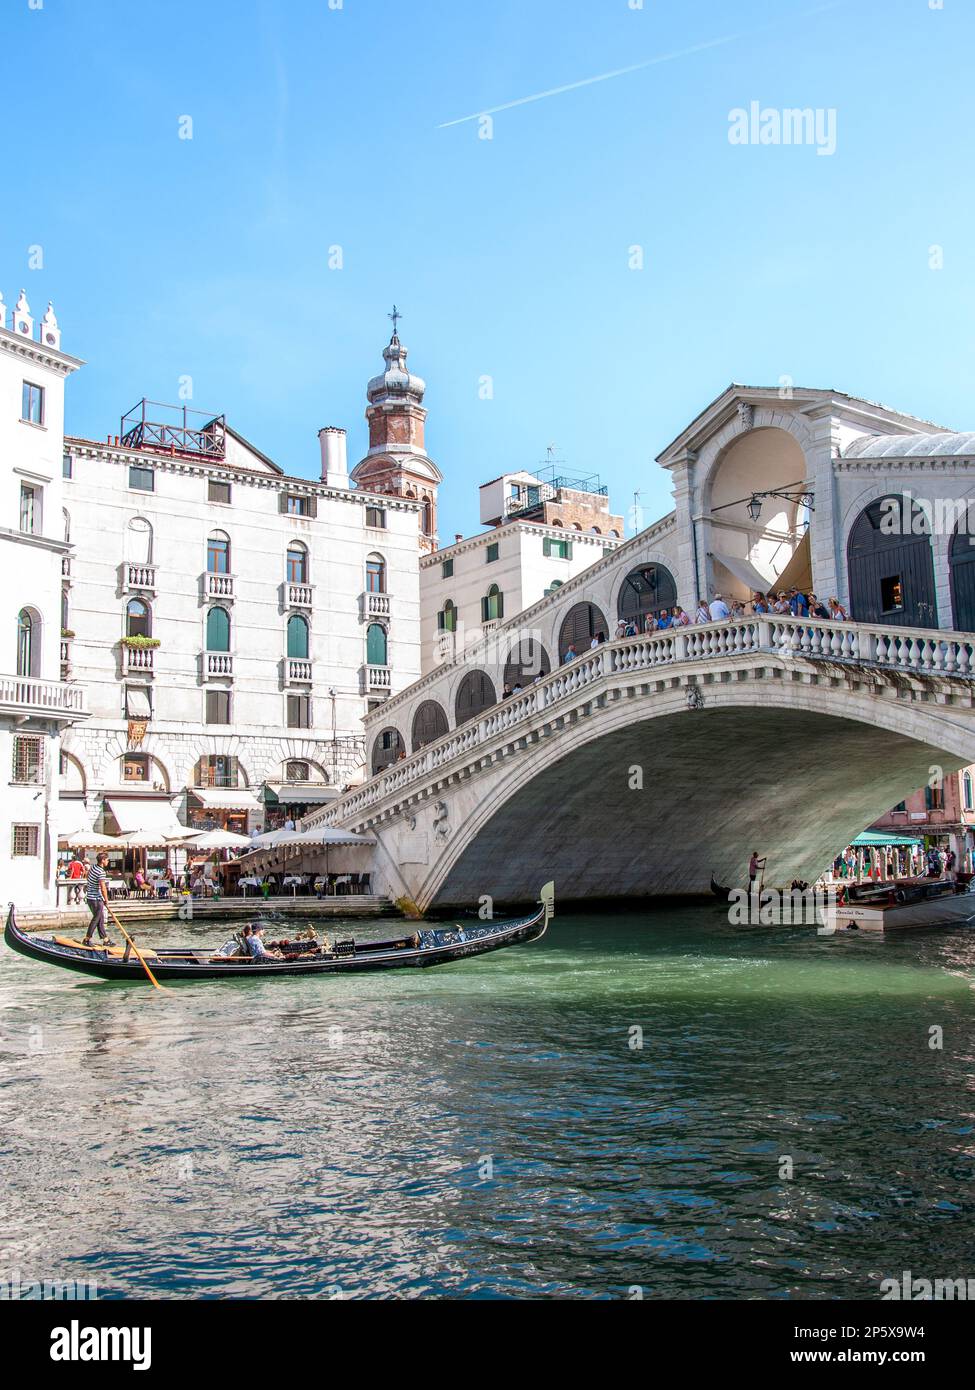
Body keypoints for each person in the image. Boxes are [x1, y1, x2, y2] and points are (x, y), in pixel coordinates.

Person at [82, 852, 111, 947]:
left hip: (90, 898)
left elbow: (88, 877)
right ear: (103, 860)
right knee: (96, 919)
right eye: (107, 860)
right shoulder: (101, 871)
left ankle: (106, 940)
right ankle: (87, 939)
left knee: (100, 919)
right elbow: (103, 888)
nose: (108, 861)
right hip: (96, 899)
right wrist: (106, 900)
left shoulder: (93, 867)